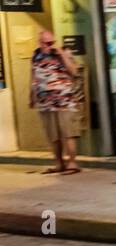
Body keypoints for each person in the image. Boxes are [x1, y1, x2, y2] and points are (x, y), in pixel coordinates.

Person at [30, 31, 82, 175]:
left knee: (68, 132)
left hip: (64, 101)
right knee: (53, 135)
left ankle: (72, 163)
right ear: (40, 42)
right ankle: (58, 163)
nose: (50, 46)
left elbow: (74, 71)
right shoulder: (36, 56)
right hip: (45, 102)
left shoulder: (62, 53)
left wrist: (62, 55)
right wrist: (31, 95)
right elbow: (33, 76)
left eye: (52, 42)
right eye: (46, 43)